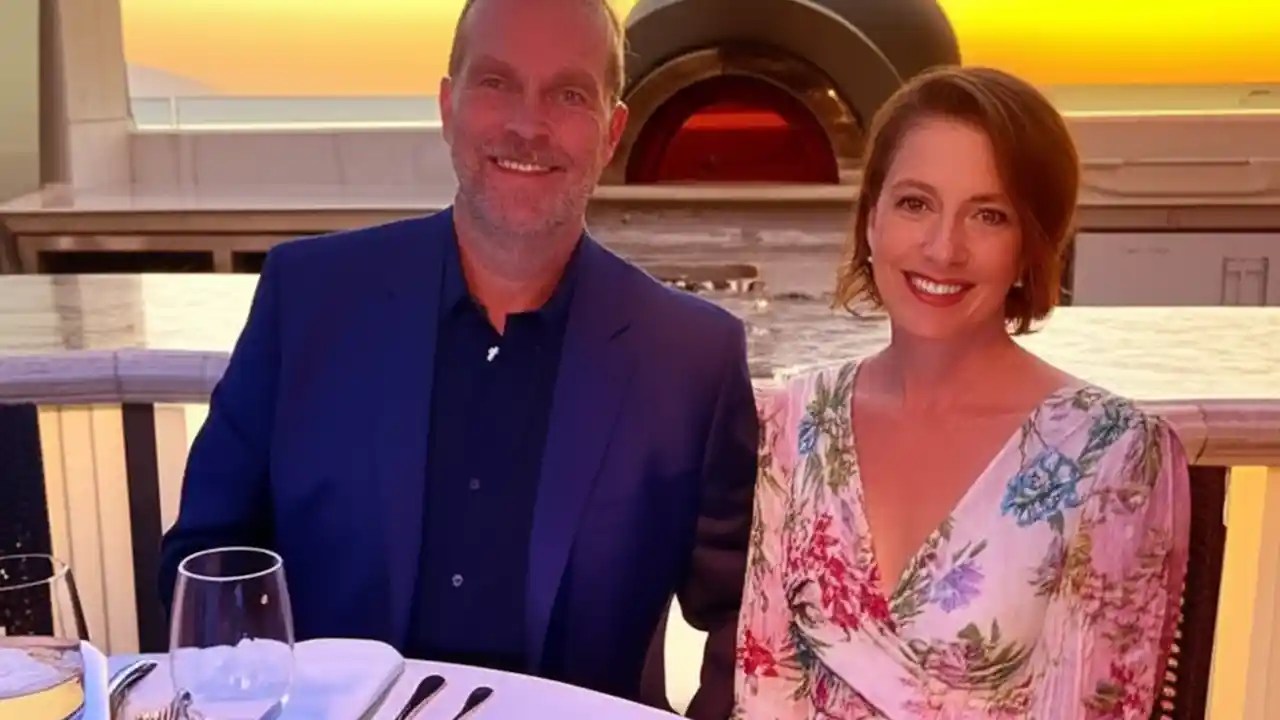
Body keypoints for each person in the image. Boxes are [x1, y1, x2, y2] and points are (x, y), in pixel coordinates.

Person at [157, 0, 758, 716]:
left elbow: (753, 620)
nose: (526, 125)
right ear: (448, 106)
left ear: (612, 132)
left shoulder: (691, 357)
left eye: (568, 94)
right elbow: (205, 562)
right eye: (496, 83)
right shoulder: (308, 301)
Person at [732, 66, 1191, 719]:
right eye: (915, 203)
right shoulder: (794, 422)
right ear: (870, 220)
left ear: (1032, 247)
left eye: (989, 215)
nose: (944, 248)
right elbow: (763, 688)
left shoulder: (1115, 457)